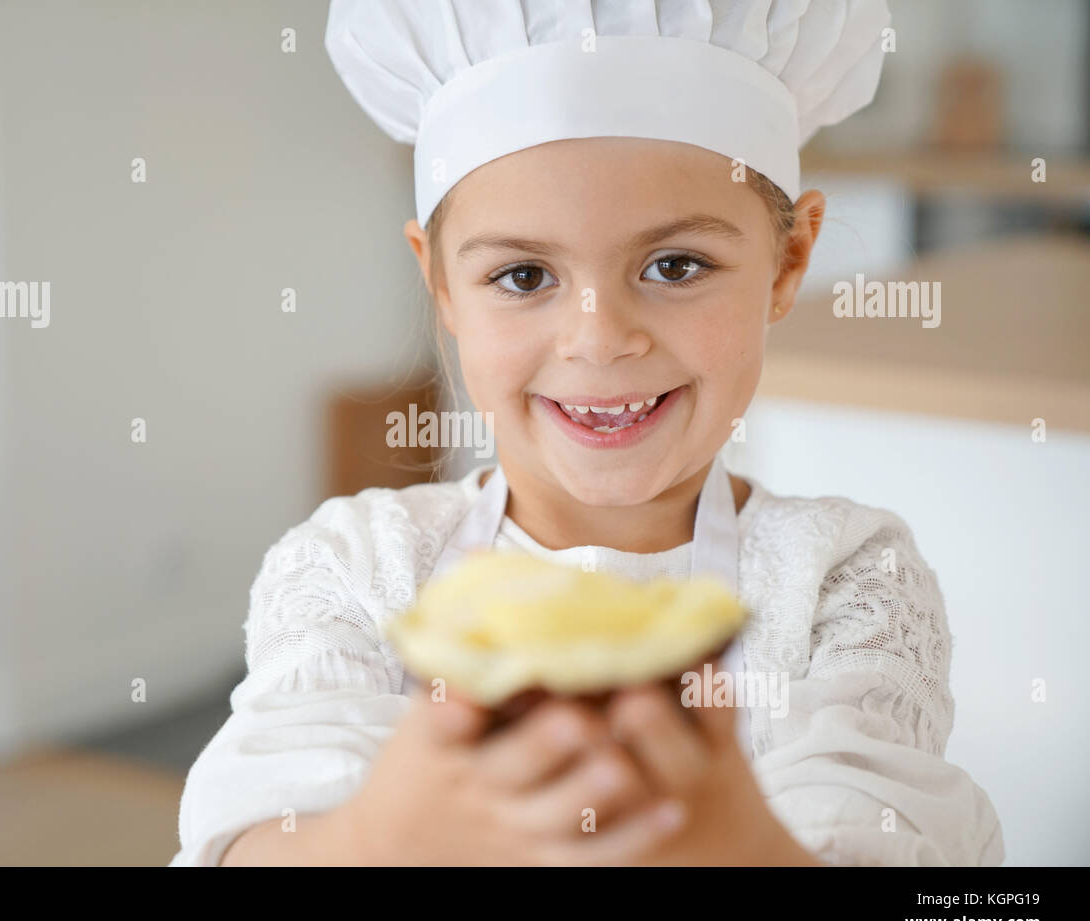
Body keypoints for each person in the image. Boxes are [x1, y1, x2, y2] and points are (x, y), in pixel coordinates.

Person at [170, 0, 1004, 866]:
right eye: (524, 275)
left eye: (675, 265)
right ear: (441, 284)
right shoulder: (355, 567)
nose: (600, 338)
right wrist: (383, 837)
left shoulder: (846, 578)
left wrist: (733, 843)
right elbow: (251, 836)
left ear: (788, 264)